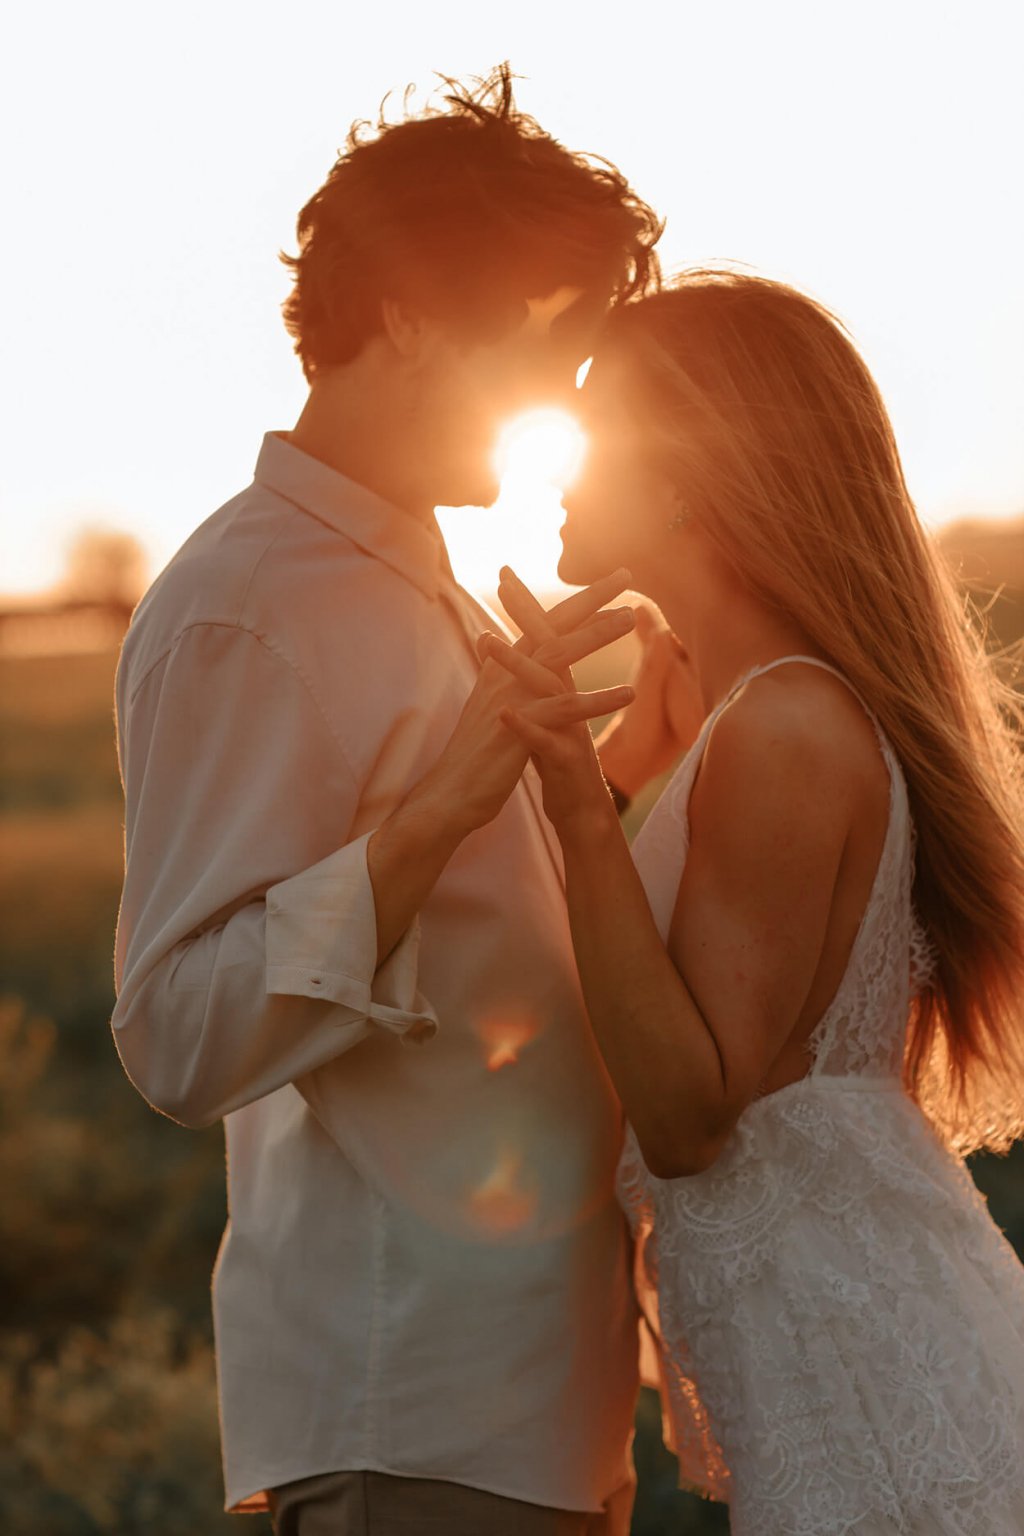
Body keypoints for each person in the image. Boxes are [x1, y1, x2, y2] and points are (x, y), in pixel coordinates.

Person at [111, 66, 668, 1534]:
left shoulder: (438, 586)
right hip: (411, 1412)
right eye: (551, 344)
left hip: (541, 1404)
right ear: (415, 312)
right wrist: (437, 811)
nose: (567, 395)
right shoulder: (247, 607)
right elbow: (174, 1033)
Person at [481, 270, 1024, 1534]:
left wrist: (574, 796)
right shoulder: (741, 712)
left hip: (878, 1399)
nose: (561, 456)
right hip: (839, 1383)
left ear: (682, 475)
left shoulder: (782, 723)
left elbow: (686, 1113)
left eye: (596, 419)